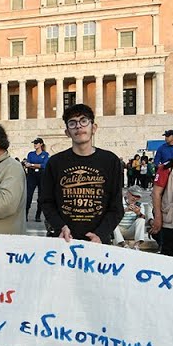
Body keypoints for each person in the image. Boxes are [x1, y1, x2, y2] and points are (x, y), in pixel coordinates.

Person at [39, 104, 124, 243]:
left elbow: (116, 207)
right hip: (64, 238)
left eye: (84, 121)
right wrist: (60, 227)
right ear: (67, 132)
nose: (79, 126)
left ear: (94, 128)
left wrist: (100, 234)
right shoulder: (55, 163)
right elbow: (46, 202)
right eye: (72, 123)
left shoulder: (110, 161)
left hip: (99, 241)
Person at [24, 138, 49, 222]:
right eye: (34, 143)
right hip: (32, 175)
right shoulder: (31, 154)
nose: (35, 144)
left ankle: (38, 215)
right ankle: (25, 214)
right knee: (28, 195)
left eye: (36, 143)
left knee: (41, 196)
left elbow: (44, 165)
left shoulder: (45, 154)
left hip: (41, 175)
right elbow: (27, 164)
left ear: (41, 144)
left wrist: (32, 165)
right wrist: (34, 165)